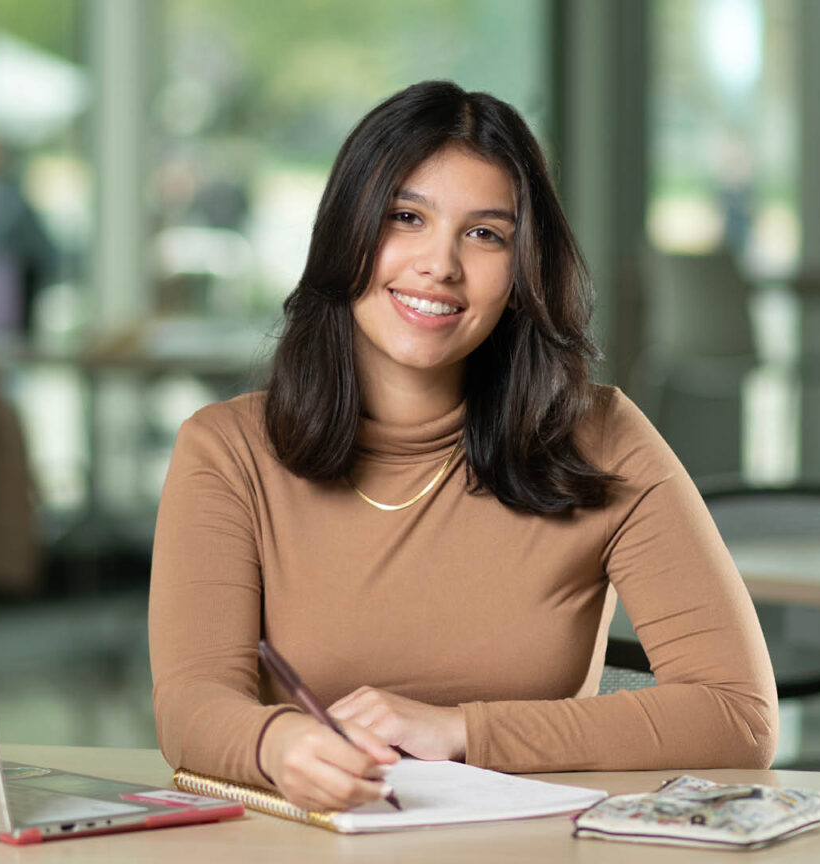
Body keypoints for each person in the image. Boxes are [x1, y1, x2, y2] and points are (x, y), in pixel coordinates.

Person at [149, 80, 777, 813]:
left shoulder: (600, 437)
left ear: (520, 274)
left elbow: (740, 714)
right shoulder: (228, 452)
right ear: (347, 232)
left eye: (485, 234)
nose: (439, 265)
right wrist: (276, 744)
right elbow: (191, 705)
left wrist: (462, 730)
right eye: (405, 218)